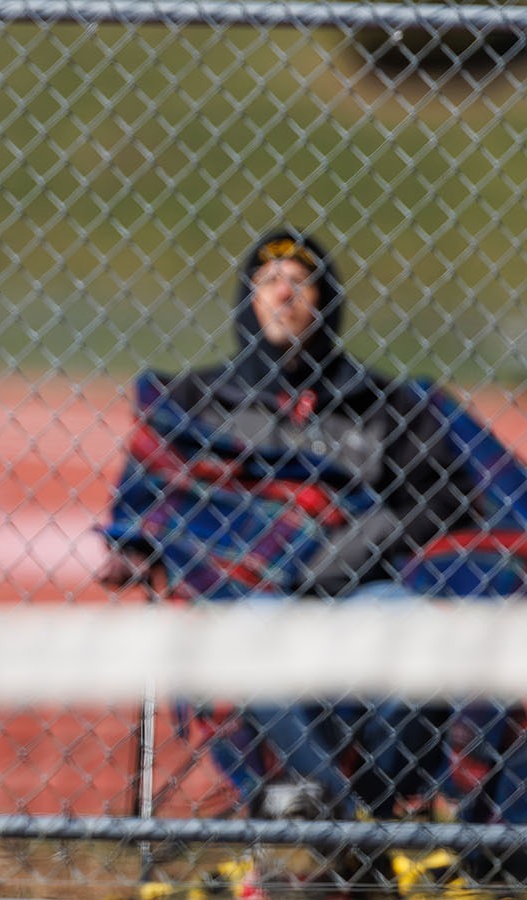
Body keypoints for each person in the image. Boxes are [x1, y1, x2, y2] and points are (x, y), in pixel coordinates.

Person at [98, 228, 484, 824]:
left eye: (301, 283)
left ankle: (360, 813)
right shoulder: (197, 402)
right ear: (247, 301)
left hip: (357, 590)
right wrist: (135, 550)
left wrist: (354, 544)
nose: (284, 294)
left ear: (326, 303)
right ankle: (353, 822)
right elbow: (148, 505)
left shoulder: (378, 402)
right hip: (240, 593)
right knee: (248, 634)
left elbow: (448, 495)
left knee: (424, 638)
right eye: (269, 281)